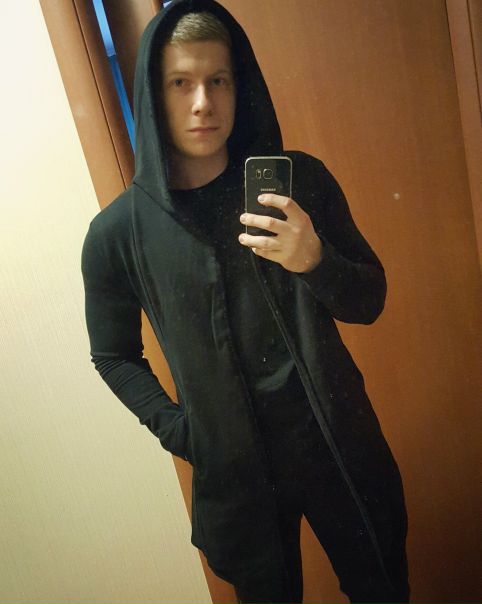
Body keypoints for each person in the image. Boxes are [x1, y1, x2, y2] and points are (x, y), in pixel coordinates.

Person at [81, 1, 409, 602]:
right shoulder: (118, 234)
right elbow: (114, 356)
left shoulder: (300, 182)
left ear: (240, 86)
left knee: (382, 587)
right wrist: (184, 433)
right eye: (180, 83)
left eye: (218, 80)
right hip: (235, 473)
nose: (202, 102)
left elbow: (370, 299)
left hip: (339, 445)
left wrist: (316, 259)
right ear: (153, 94)